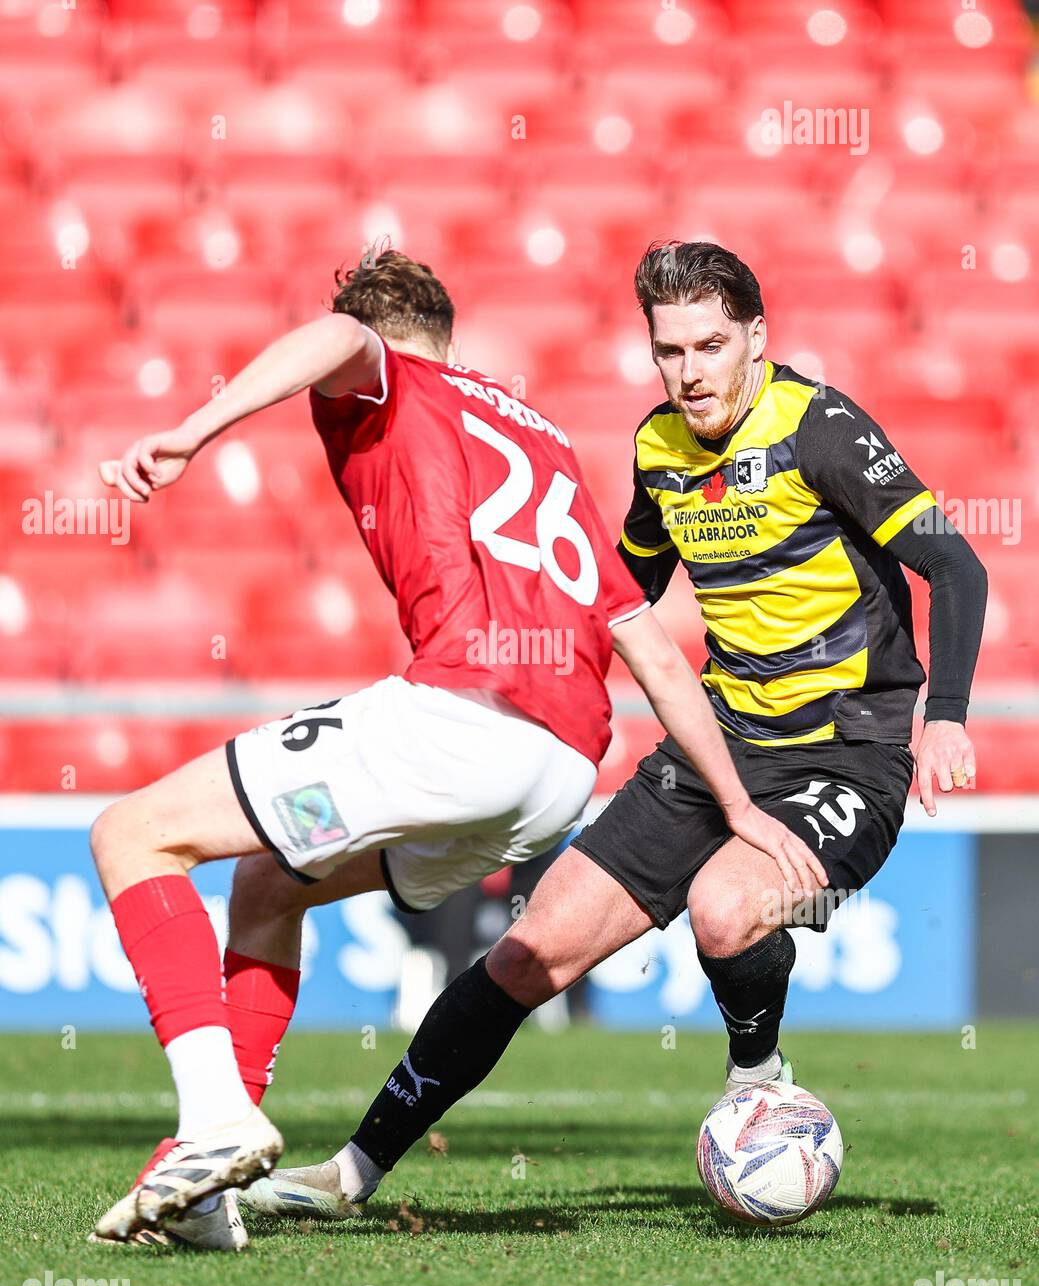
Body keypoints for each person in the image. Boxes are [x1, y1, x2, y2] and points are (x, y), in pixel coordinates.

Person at [240, 241, 987, 1226]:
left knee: (727, 909)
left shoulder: (822, 429)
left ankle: (754, 1069)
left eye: (711, 346)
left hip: (849, 752)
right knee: (528, 950)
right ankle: (351, 1172)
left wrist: (944, 720)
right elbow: (622, 596)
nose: (690, 373)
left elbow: (959, 569)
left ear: (756, 340)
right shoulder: (658, 450)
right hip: (720, 743)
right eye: (669, 351)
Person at [91, 249, 823, 1247]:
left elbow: (342, 342)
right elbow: (647, 644)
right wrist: (736, 803)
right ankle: (209, 1200)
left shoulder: (391, 378)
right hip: (557, 775)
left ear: (391, 344)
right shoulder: (541, 438)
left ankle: (215, 1117)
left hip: (461, 717)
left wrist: (189, 434)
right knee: (270, 883)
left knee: (130, 833)